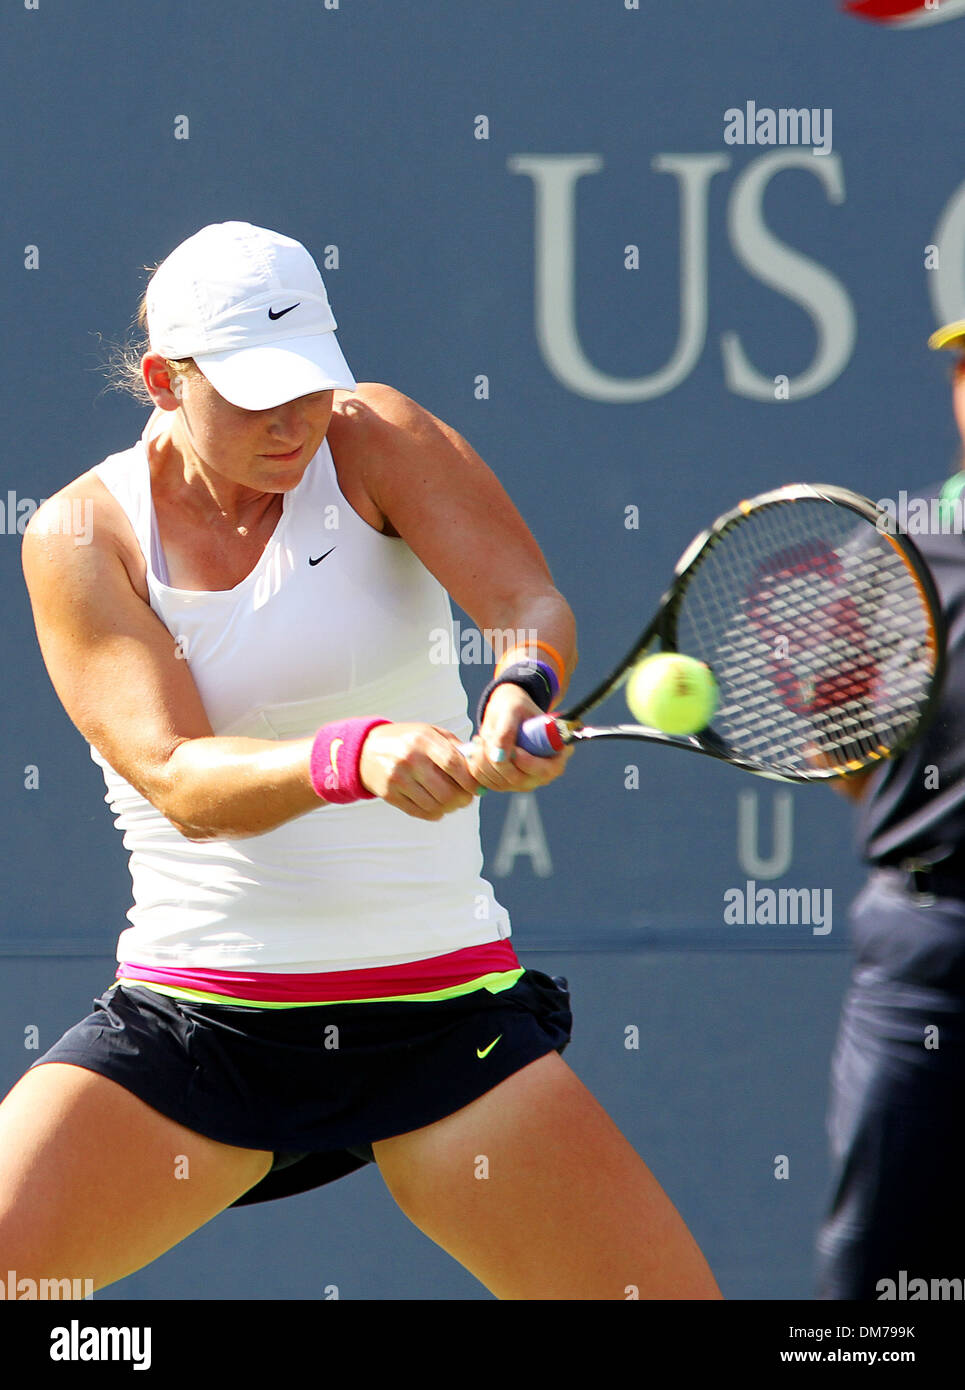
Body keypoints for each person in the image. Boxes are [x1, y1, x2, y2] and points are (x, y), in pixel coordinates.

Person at [0, 222, 720, 1300]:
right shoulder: (77, 536)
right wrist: (358, 754)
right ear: (162, 379)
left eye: (307, 383)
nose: (292, 421)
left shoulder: (373, 434)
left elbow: (525, 609)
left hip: (442, 1020)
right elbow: (177, 778)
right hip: (199, 1027)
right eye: (252, 393)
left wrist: (517, 688)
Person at [816, 317, 965, 1299]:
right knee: (879, 1272)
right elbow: (840, 743)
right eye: (963, 369)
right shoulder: (896, 546)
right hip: (927, 948)